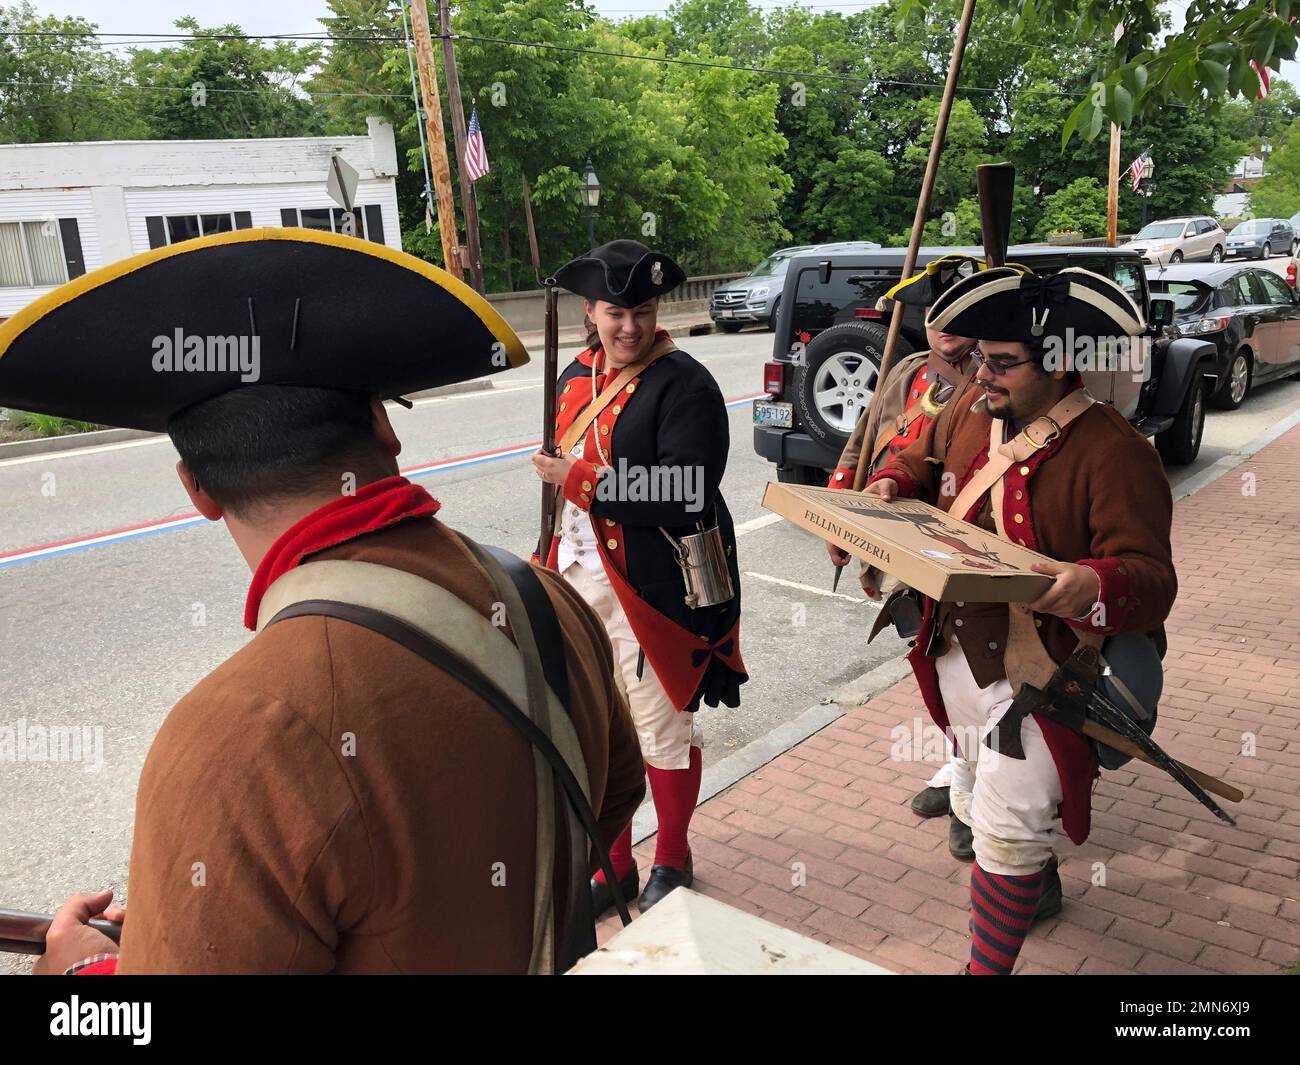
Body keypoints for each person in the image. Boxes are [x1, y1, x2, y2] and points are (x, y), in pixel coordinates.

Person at [1, 228, 646, 975]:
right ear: (383, 426)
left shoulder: (237, 736)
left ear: (198, 490)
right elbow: (611, 795)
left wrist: (78, 971)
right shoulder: (546, 600)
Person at [863, 267, 1177, 974]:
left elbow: (1154, 582)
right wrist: (892, 482)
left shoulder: (1115, 452)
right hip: (957, 650)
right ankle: (1036, 889)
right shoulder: (971, 410)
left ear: (1059, 362)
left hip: (1048, 675)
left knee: (1006, 830)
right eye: (980, 358)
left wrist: (1093, 583)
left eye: (1001, 363)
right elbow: (920, 461)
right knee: (984, 796)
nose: (981, 374)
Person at [532, 239, 746, 915]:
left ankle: (673, 858)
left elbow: (687, 490)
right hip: (576, 581)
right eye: (616, 313)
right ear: (589, 312)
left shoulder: (686, 385)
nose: (630, 327)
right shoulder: (574, 376)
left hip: (653, 591)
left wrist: (583, 480)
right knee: (602, 732)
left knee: (661, 729)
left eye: (643, 312)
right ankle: (617, 865)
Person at [823, 256, 983, 845]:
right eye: (937, 313)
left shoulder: (993, 377)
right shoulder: (909, 370)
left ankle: (971, 787)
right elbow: (864, 441)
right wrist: (841, 517)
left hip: (952, 548)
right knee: (929, 657)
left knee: (965, 665)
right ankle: (959, 759)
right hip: (893, 544)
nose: (945, 326)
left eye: (960, 313)